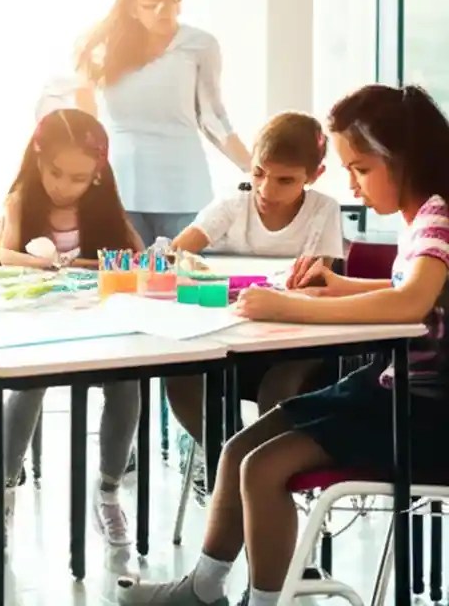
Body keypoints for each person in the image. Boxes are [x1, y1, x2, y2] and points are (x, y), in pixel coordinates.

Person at [118, 84, 449, 606]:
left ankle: (265, 601)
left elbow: (411, 305)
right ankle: (204, 590)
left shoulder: (438, 216)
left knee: (263, 467)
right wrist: (341, 287)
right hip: (390, 390)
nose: (354, 187)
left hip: (426, 413)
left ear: (401, 158)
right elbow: (422, 295)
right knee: (237, 449)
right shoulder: (422, 216)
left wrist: (291, 306)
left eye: (360, 169)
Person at [0, 109, 144, 546]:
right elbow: (4, 254)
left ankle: (109, 491)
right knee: (28, 384)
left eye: (79, 178)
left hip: (98, 324)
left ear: (97, 174)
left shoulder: (105, 207)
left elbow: (136, 255)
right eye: (55, 173)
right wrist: (49, 264)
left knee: (127, 382)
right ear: (38, 159)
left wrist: (79, 265)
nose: (63, 185)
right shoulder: (22, 199)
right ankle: (1, 491)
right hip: (36, 324)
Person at [165, 112, 346, 450]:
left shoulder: (324, 210)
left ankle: (253, 467)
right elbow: (175, 256)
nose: (266, 189)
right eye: (259, 172)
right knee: (180, 377)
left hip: (295, 343)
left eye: (285, 180)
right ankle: (223, 459)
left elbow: (317, 281)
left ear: (315, 175)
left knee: (278, 388)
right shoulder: (233, 206)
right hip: (229, 336)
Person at [75, 0, 252, 245]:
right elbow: (85, 123)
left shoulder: (199, 45)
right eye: (151, 3)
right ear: (131, 7)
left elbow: (212, 117)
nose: (166, 10)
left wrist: (254, 169)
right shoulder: (99, 49)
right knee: (126, 281)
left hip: (185, 190)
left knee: (186, 281)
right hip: (121, 190)